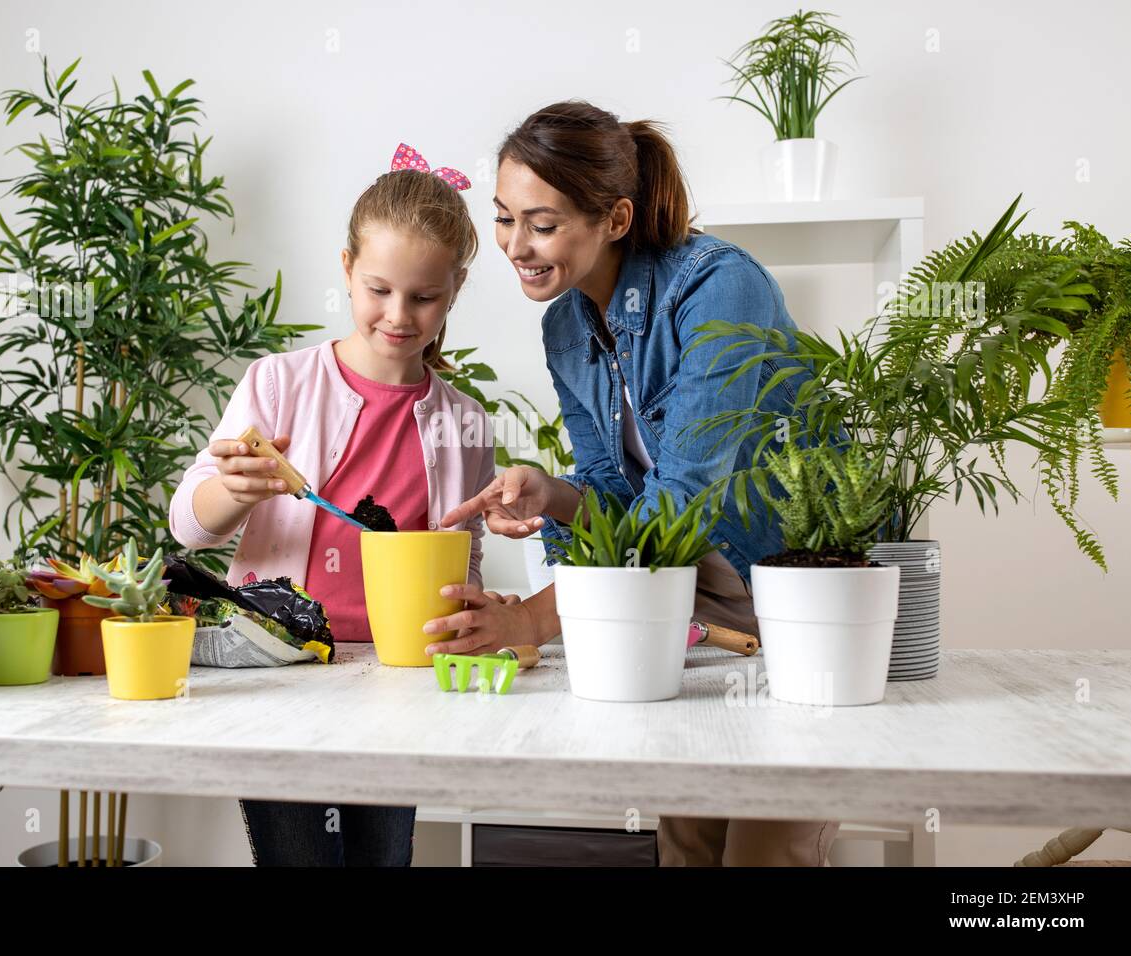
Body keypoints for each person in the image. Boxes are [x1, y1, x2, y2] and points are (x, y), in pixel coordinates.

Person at [428, 102, 839, 866]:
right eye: (505, 219)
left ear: (614, 218)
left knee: (766, 852)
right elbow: (613, 496)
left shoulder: (721, 288)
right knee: (687, 843)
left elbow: (681, 498)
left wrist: (533, 623)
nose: (517, 245)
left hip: (796, 606)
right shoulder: (565, 328)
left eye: (542, 223)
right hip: (687, 608)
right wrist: (549, 494)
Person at [169, 146, 496, 865]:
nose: (399, 315)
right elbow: (187, 526)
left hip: (397, 681)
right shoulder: (278, 384)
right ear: (346, 268)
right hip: (278, 671)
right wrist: (235, 490)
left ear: (456, 289)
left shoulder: (464, 421)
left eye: (425, 297)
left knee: (384, 861)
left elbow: (463, 554)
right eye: (379, 288)